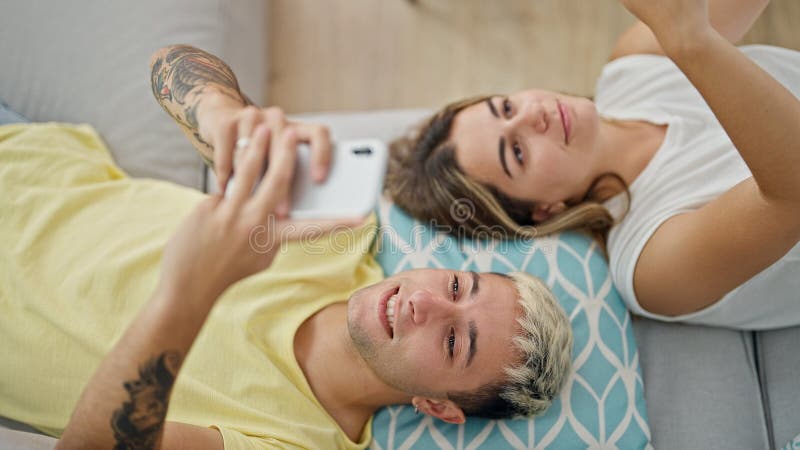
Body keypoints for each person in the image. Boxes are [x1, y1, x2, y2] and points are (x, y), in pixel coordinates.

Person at [0, 49, 573, 450]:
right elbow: (167, 67)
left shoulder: (292, 441)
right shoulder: (340, 229)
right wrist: (228, 118)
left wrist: (187, 295)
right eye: (455, 287)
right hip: (20, 159)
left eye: (454, 341)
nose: (428, 305)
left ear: (439, 407)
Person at [385, 0, 800, 330]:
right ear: (545, 209)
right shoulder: (649, 265)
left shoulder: (632, 67)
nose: (532, 117)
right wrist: (689, 40)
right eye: (517, 152)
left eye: (507, 106)